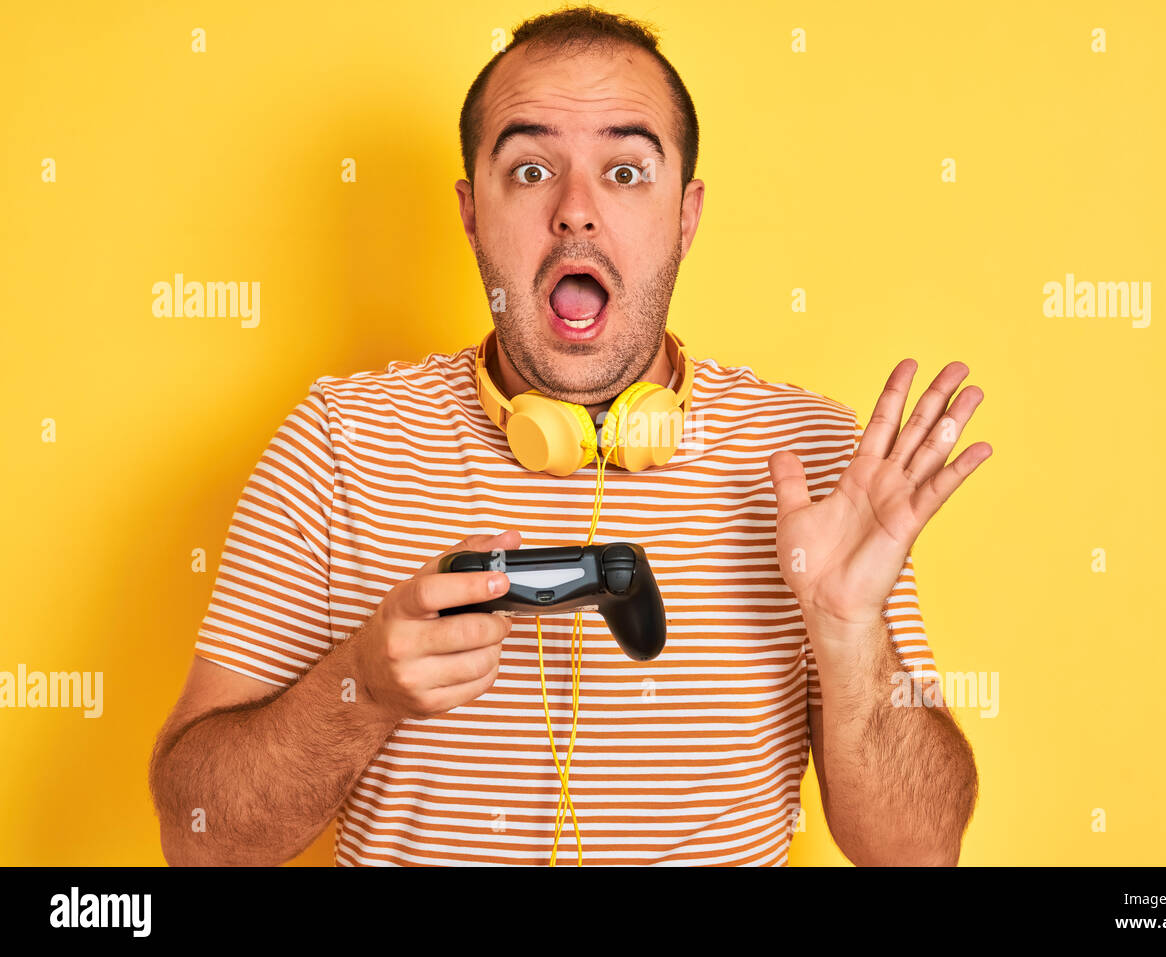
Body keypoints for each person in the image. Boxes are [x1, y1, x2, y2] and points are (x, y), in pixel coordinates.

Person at [149, 4, 991, 867]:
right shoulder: (337, 443)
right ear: (472, 212)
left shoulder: (811, 456)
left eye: (625, 172)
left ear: (687, 216)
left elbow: (917, 852)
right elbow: (200, 841)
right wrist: (360, 686)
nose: (576, 213)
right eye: (530, 169)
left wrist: (852, 634)